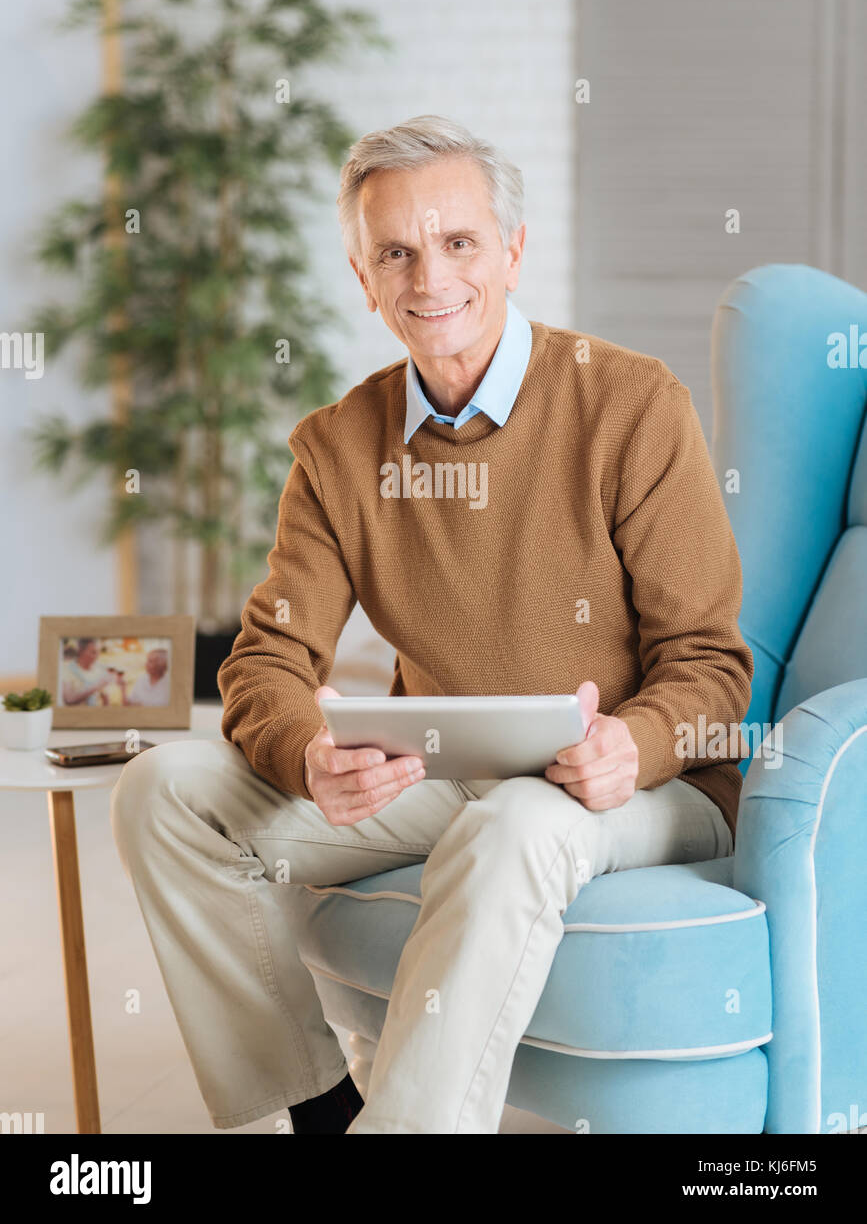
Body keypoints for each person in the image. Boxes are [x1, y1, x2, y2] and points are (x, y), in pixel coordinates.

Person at [111, 116, 753, 1135]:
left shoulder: (632, 404)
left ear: (512, 251)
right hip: (449, 772)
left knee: (516, 824)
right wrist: (310, 751)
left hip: (652, 786)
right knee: (163, 790)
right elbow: (269, 658)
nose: (430, 276)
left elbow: (711, 663)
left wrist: (633, 744)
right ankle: (318, 1109)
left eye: (458, 242)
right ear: (365, 280)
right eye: (395, 252)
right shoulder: (336, 445)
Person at [62, 638, 112, 707]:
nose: (97, 656)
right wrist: (96, 686)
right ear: (81, 651)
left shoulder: (99, 671)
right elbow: (69, 700)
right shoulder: (67, 669)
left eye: (98, 652)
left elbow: (106, 702)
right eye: (93, 652)